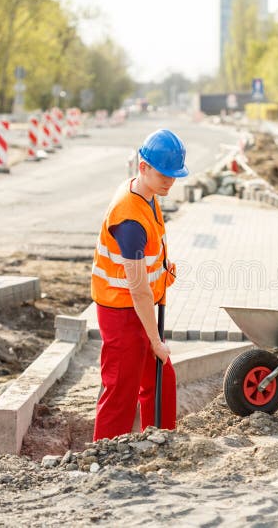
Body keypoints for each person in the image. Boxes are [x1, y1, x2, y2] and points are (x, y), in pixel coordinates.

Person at [91, 129, 188, 440]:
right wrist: (156, 343)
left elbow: (150, 254)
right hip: (123, 312)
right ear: (143, 167)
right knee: (121, 390)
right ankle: (104, 455)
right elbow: (138, 289)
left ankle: (159, 441)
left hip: (138, 310)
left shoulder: (148, 194)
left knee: (161, 380)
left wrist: (162, 269)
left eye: (174, 175)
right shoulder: (130, 220)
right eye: (164, 174)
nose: (170, 182)